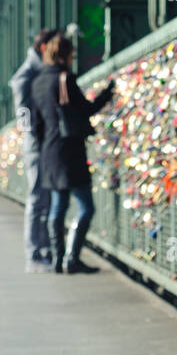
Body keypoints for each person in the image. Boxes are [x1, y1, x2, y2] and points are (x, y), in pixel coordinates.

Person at [31, 34, 114, 275]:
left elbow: (35, 125)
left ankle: (57, 258)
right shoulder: (64, 79)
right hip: (70, 150)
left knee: (57, 206)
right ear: (65, 55)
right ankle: (72, 257)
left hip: (50, 151)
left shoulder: (36, 83)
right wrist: (107, 94)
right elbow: (87, 109)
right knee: (86, 206)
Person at [9, 28, 59, 273]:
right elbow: (23, 112)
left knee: (44, 196)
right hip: (37, 143)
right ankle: (34, 253)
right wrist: (33, 131)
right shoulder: (27, 74)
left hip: (43, 141)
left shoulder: (36, 70)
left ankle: (43, 249)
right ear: (43, 48)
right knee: (38, 195)